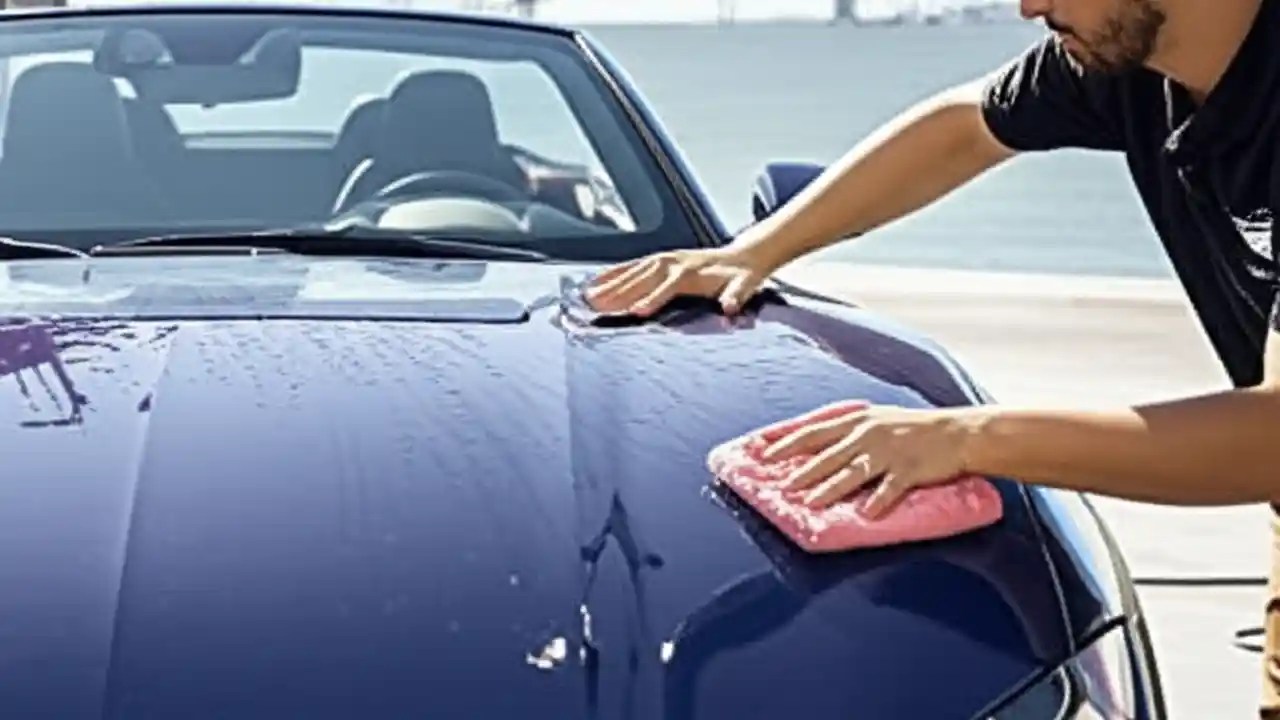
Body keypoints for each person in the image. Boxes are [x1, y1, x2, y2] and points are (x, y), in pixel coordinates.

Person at [585, 0, 1280, 714]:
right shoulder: (1129, 69)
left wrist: (965, 438)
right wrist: (752, 253)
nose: (1027, 6)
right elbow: (961, 128)